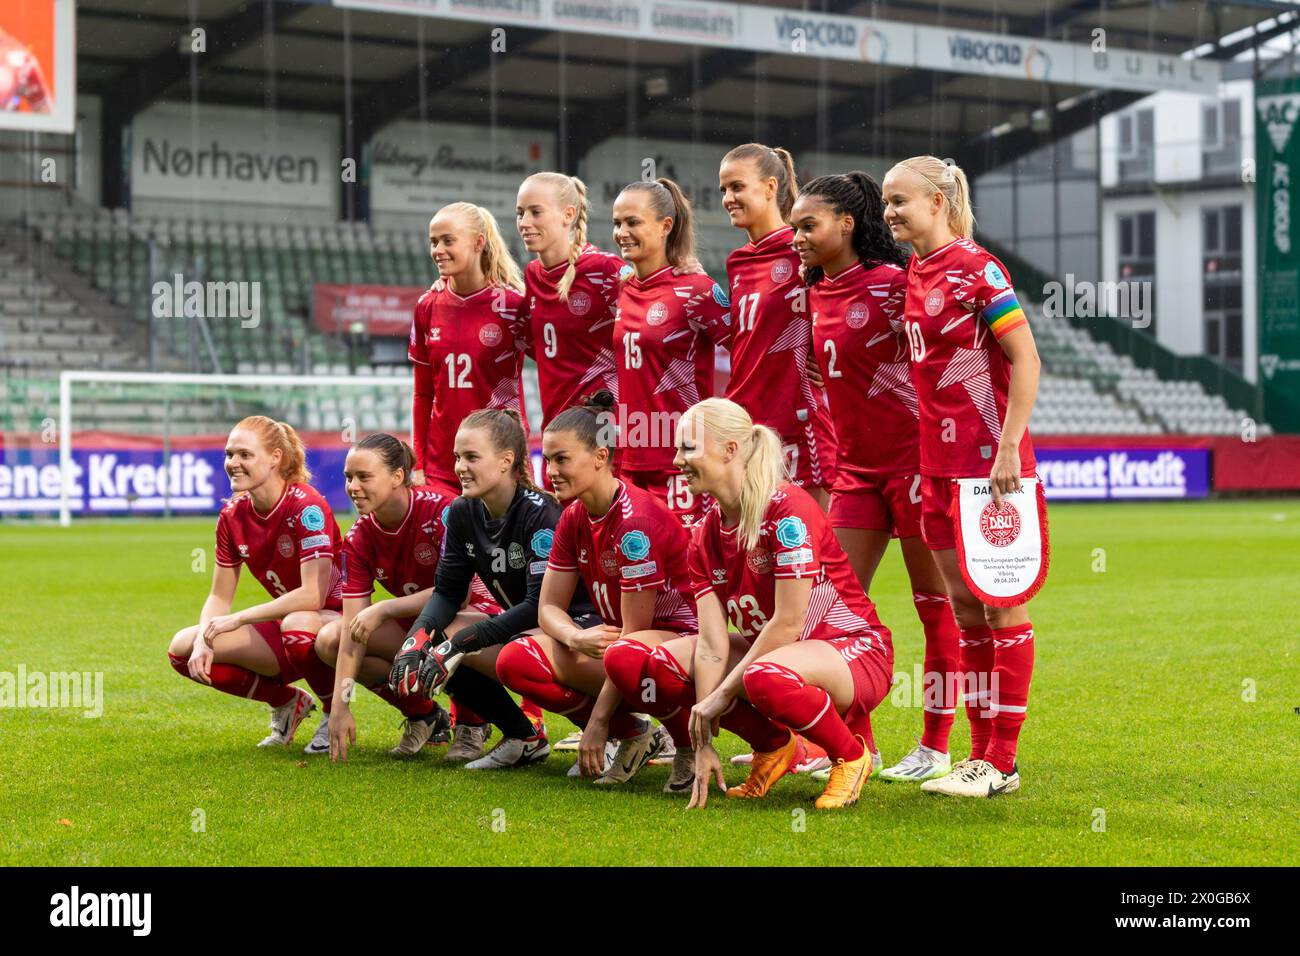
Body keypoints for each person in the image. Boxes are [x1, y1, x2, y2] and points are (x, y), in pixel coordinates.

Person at [629, 398, 895, 809]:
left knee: (762, 676)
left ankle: (852, 756)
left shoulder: (787, 512)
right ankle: (774, 748)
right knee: (665, 666)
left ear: (730, 450)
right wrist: (702, 727)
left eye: (688, 447)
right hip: (780, 661)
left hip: (856, 651)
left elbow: (788, 623)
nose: (677, 459)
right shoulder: (703, 535)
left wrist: (722, 696)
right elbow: (712, 645)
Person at [881, 155, 1046, 797]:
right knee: (965, 609)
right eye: (887, 202)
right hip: (936, 468)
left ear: (939, 203)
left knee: (1001, 606)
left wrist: (1009, 449)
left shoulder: (980, 271)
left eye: (901, 200)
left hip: (989, 470)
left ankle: (1002, 761)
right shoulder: (914, 271)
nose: (891, 212)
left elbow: (1026, 358)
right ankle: (977, 758)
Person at [793, 171, 963, 784]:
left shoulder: (896, 285)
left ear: (846, 225)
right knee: (833, 607)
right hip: (857, 474)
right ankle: (851, 745)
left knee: (935, 608)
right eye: (794, 229)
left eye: (809, 227)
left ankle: (936, 745)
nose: (799, 239)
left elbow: (949, 354)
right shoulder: (813, 294)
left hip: (917, 467)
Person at [495, 391, 696, 786]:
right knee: (513, 661)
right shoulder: (573, 517)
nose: (549, 470)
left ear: (601, 458)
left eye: (562, 459)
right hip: (621, 644)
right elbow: (547, 609)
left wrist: (598, 722)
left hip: (681, 645)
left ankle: (687, 744)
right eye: (547, 458)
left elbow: (634, 635)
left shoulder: (635, 522)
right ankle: (637, 734)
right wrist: (574, 636)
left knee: (625, 655)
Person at [388, 408, 600, 770]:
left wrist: (463, 642)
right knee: (440, 640)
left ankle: (618, 732)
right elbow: (448, 592)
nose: (459, 467)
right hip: (532, 626)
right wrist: (416, 639)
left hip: (580, 625)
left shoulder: (541, 512)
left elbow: (540, 605)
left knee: (486, 649)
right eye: (457, 457)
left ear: (506, 461)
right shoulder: (461, 512)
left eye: (471, 457)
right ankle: (524, 738)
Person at [166, 416, 342, 755]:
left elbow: (313, 595)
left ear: (275, 457)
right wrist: (206, 639)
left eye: (245, 455)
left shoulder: (307, 507)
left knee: (296, 625)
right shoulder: (232, 515)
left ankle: (333, 710)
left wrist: (240, 619)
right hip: (292, 627)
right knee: (183, 649)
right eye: (230, 454)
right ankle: (288, 703)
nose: (233, 463)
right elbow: (219, 595)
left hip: (334, 625)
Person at [319, 432, 494, 760]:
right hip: (421, 619)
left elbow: (459, 594)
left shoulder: (441, 509)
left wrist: (385, 608)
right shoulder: (358, 537)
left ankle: (474, 723)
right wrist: (339, 706)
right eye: (348, 478)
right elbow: (352, 628)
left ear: (398, 476)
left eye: (364, 477)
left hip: (476, 612)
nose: (353, 487)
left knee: (447, 629)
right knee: (330, 639)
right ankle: (425, 716)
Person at [719, 143, 837, 507]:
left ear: (771, 187)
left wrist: (826, 352)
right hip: (746, 422)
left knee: (812, 551)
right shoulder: (737, 261)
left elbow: (846, 309)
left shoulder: (804, 249)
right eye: (724, 189)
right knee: (756, 555)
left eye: (737, 187)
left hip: (797, 419)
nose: (728, 198)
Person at [611, 177, 731, 526]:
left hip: (681, 461)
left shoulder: (697, 290)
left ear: (666, 226)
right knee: (636, 573)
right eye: (618, 223)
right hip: (630, 459)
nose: (622, 232)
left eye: (633, 222)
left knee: (687, 574)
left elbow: (749, 350)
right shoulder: (620, 286)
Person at [409, 202, 529, 497]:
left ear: (479, 243)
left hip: (499, 462)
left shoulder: (512, 306)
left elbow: (555, 364)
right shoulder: (428, 306)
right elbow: (423, 393)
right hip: (442, 466)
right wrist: (419, 463)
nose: (438, 250)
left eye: (448, 241)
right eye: (433, 242)